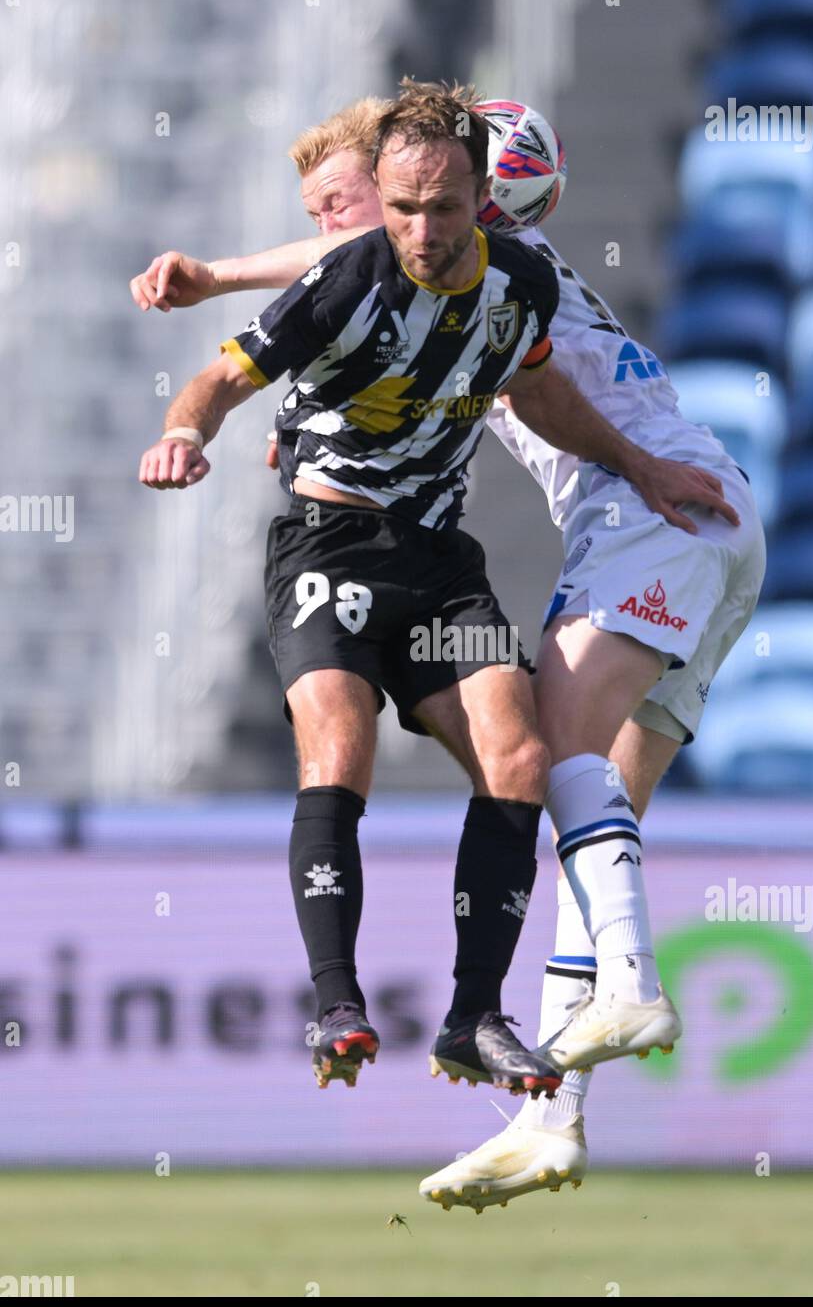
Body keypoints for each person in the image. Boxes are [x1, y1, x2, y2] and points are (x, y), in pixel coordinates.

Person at [134, 82, 736, 1118]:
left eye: (434, 207)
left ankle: (476, 1017)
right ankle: (337, 1001)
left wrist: (642, 466)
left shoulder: (511, 284)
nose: (402, 226)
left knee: (523, 758)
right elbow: (221, 378)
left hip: (441, 557)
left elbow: (543, 393)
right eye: (381, 209)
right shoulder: (344, 283)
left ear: (475, 197)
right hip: (331, 543)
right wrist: (188, 429)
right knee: (340, 744)